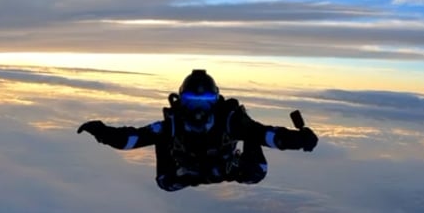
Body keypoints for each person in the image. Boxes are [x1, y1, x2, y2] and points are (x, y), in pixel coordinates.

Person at [77, 69, 318, 191]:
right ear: (182, 102)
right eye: (192, 102)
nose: (198, 110)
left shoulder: (229, 121)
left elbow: (268, 135)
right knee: (165, 182)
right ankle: (202, 169)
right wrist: (102, 132)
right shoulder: (173, 124)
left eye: (204, 103)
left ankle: (237, 152)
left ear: (215, 102)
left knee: (256, 168)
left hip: (226, 168)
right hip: (188, 171)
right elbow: (132, 139)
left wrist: (298, 139)